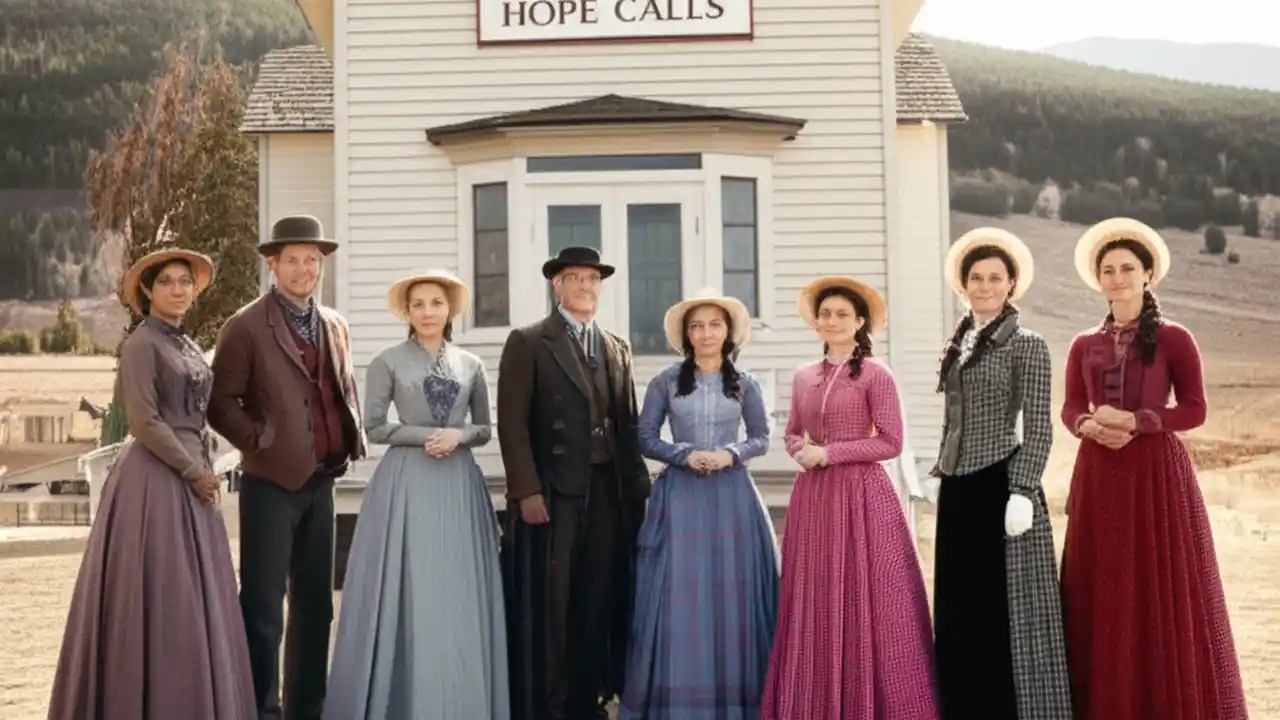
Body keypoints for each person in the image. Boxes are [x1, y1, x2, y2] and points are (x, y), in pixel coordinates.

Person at [48, 249, 255, 719]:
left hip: (190, 478)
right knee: (165, 597)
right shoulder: (142, 343)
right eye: (167, 282)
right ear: (148, 291)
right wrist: (195, 471)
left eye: (185, 282)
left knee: (195, 597)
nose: (178, 289)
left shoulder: (183, 343)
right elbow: (143, 421)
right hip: (155, 482)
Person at [1060, 217, 1246, 719]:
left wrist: (1139, 420)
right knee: (1103, 586)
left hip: (1156, 475)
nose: (1117, 277)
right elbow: (1071, 406)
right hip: (1099, 474)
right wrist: (1087, 426)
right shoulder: (1082, 345)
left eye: (1127, 268)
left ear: (1148, 275)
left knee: (1159, 586)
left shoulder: (1174, 339)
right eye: (1108, 270)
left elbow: (1194, 409)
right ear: (1098, 279)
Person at [324, 269, 509, 719]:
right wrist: (431, 434)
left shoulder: (471, 364)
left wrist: (459, 438)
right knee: (411, 585)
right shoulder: (388, 361)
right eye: (419, 304)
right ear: (406, 312)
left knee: (456, 589)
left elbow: (484, 427)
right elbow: (373, 426)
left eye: (436, 303)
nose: (428, 312)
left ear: (450, 310)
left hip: (458, 483)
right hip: (407, 481)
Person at [208, 215, 367, 720]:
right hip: (269, 484)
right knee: (262, 607)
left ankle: (307, 708)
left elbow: (340, 388)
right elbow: (220, 400)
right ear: (273, 265)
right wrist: (260, 439)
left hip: (323, 480)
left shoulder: (335, 324)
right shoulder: (246, 324)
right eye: (293, 260)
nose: (304, 269)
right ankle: (260, 709)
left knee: (316, 607)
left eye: (312, 260)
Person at [760, 275, 938, 720]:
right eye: (825, 314)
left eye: (842, 314)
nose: (832, 320)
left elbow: (891, 441)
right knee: (816, 594)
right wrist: (801, 451)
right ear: (816, 323)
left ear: (860, 322)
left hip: (863, 496)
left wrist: (832, 453)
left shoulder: (877, 375)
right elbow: (791, 432)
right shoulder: (803, 377)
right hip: (815, 499)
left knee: (870, 594)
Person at [497, 246, 650, 720]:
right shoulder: (528, 341)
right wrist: (526, 491)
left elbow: (627, 426)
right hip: (554, 491)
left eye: (592, 279)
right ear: (556, 285)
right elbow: (512, 424)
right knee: (553, 602)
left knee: (597, 596)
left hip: (607, 491)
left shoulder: (616, 346)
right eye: (575, 278)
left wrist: (637, 491)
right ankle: (550, 704)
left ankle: (588, 699)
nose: (585, 286)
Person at [931, 228, 1072, 719]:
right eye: (976, 278)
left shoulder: (1027, 345)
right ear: (964, 285)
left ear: (1011, 284)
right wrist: (940, 466)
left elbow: (1039, 425)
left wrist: (1022, 488)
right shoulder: (961, 341)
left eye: (995, 278)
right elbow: (955, 415)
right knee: (957, 608)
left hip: (1001, 485)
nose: (985, 286)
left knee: (1004, 612)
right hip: (958, 486)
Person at [619, 289, 780, 720]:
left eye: (714, 324)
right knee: (681, 594)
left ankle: (738, 702)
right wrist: (683, 454)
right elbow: (645, 437)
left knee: (733, 592)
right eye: (697, 326)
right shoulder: (665, 382)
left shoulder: (745, 384)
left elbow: (762, 437)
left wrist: (731, 453)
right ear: (686, 335)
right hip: (682, 499)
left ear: (727, 332)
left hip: (732, 498)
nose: (706, 333)